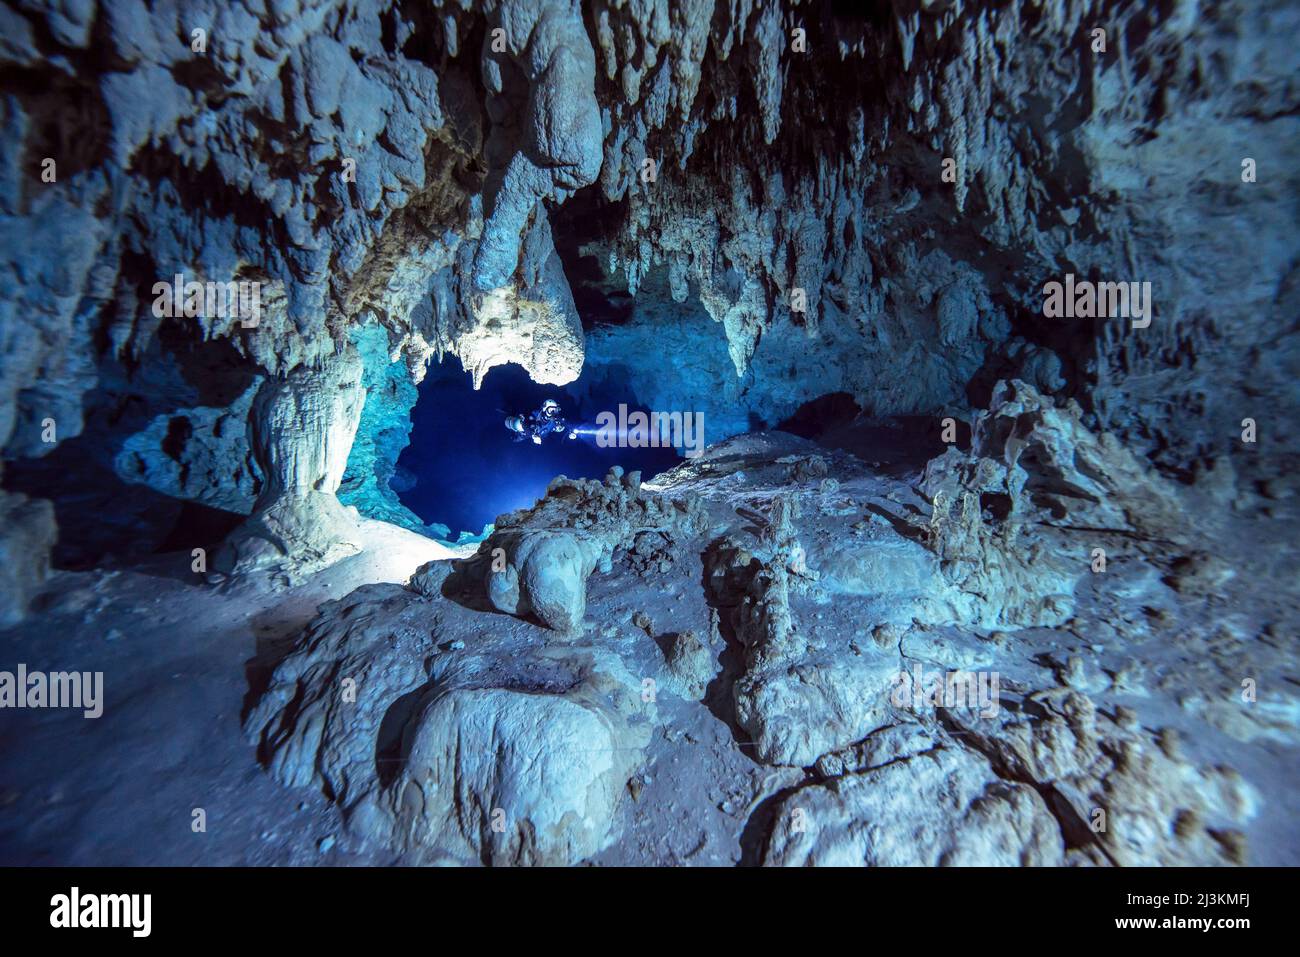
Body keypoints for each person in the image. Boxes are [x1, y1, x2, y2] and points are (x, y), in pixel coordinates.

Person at [504, 399, 579, 444]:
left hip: (540, 437)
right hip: (524, 432)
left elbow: (563, 422)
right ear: (544, 409)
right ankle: (509, 412)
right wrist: (534, 436)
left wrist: (571, 430)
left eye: (555, 410)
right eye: (550, 410)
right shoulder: (535, 415)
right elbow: (528, 426)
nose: (553, 412)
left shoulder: (554, 420)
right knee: (514, 438)